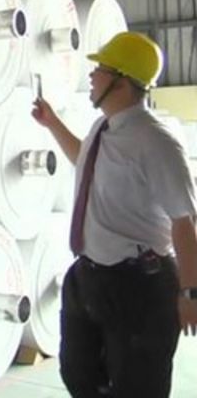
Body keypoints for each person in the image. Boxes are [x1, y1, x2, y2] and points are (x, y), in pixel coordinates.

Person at [32, 31, 197, 397]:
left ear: (121, 81)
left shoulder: (156, 141)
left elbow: (184, 221)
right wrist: (52, 122)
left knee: (137, 387)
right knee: (79, 375)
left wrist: (190, 292)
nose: (92, 76)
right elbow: (85, 162)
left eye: (100, 69)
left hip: (138, 285)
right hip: (90, 277)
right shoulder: (103, 128)